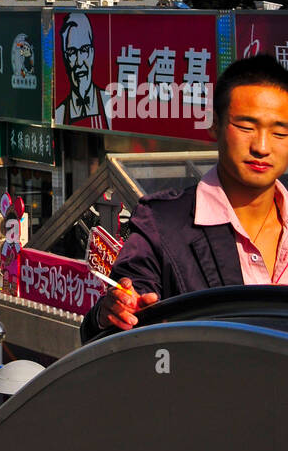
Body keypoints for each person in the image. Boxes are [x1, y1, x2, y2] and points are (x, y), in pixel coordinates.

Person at [82, 53, 288, 342]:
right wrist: (113, 312)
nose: (262, 147)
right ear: (214, 125)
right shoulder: (163, 224)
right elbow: (123, 311)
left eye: (280, 132)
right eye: (246, 127)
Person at [54, 12, 111, 129]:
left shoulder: (110, 102)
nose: (79, 62)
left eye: (84, 50)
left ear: (92, 53)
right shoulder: (59, 114)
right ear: (65, 58)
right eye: (71, 52)